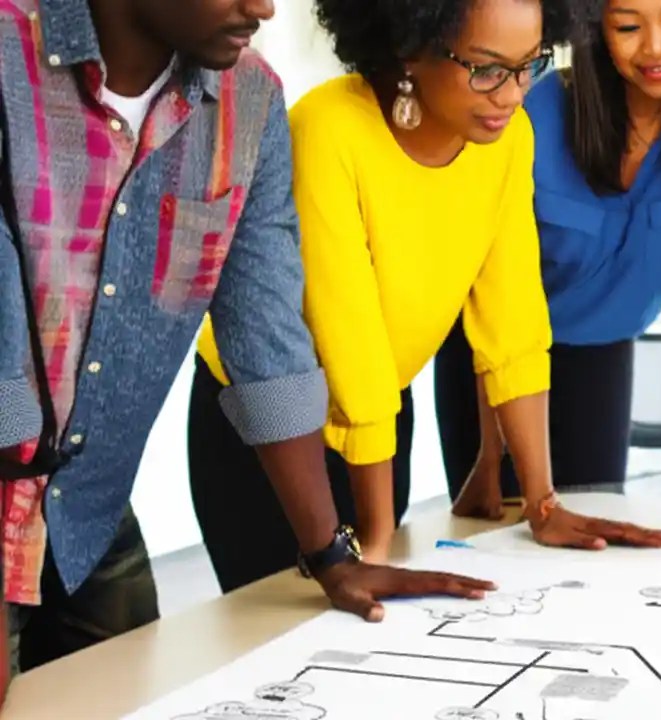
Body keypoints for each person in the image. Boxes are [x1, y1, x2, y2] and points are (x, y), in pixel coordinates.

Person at [0, 0, 503, 695]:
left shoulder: (251, 103)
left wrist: (332, 554)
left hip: (89, 508)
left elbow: (265, 334)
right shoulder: (6, 54)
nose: (264, 7)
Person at [189, 0, 661, 594]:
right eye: (488, 68)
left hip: (383, 417)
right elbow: (350, 338)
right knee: (280, 652)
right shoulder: (329, 130)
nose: (513, 93)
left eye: (530, 65)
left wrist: (542, 502)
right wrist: (378, 537)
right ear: (410, 46)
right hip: (272, 439)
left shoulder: (508, 139)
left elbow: (513, 314)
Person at [436, 0, 661, 514]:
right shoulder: (536, 112)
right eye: (628, 27)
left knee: (593, 534)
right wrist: (491, 452)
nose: (658, 47)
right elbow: (490, 286)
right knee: (499, 541)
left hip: (601, 352)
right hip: (495, 359)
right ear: (595, 30)